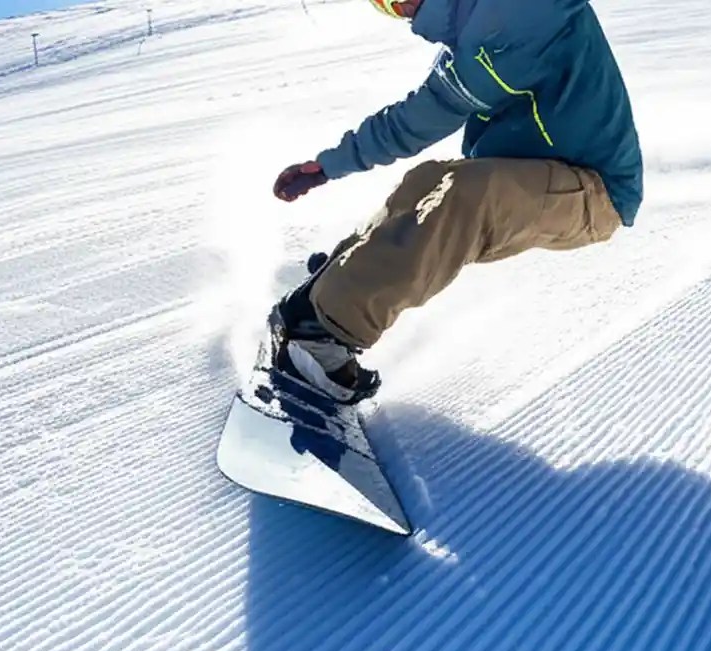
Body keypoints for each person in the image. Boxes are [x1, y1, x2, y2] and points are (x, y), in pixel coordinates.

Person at [269, 0, 643, 404]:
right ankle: (325, 295)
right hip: (541, 172)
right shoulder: (471, 36)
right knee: (428, 181)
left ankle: (325, 335)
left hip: (596, 190)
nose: (401, 10)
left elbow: (428, 113)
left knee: (466, 196)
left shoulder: (518, 15)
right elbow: (419, 115)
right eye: (385, 5)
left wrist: (329, 167)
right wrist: (327, 167)